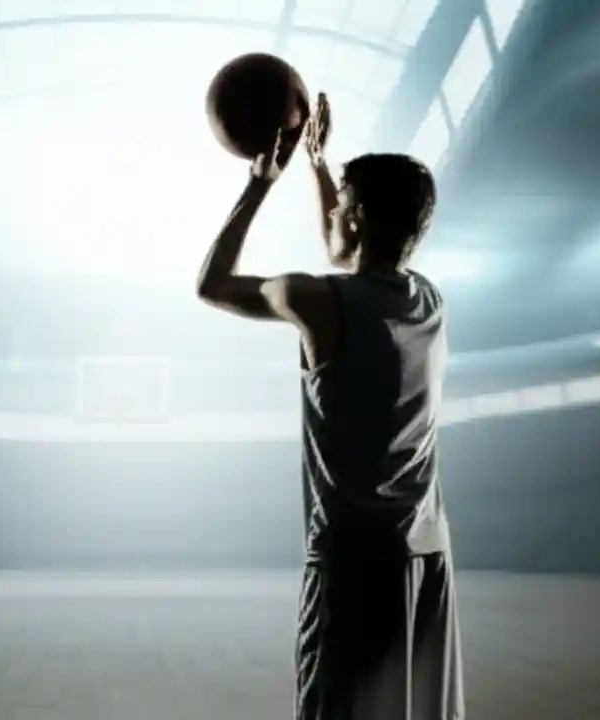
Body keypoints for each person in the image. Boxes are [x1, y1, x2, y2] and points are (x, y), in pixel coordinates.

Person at [195, 92, 464, 720]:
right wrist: (320, 166)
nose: (335, 212)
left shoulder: (313, 301)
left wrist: (259, 185)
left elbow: (211, 284)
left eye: (343, 202)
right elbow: (351, 256)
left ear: (361, 214)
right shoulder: (428, 300)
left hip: (350, 561)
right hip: (426, 553)